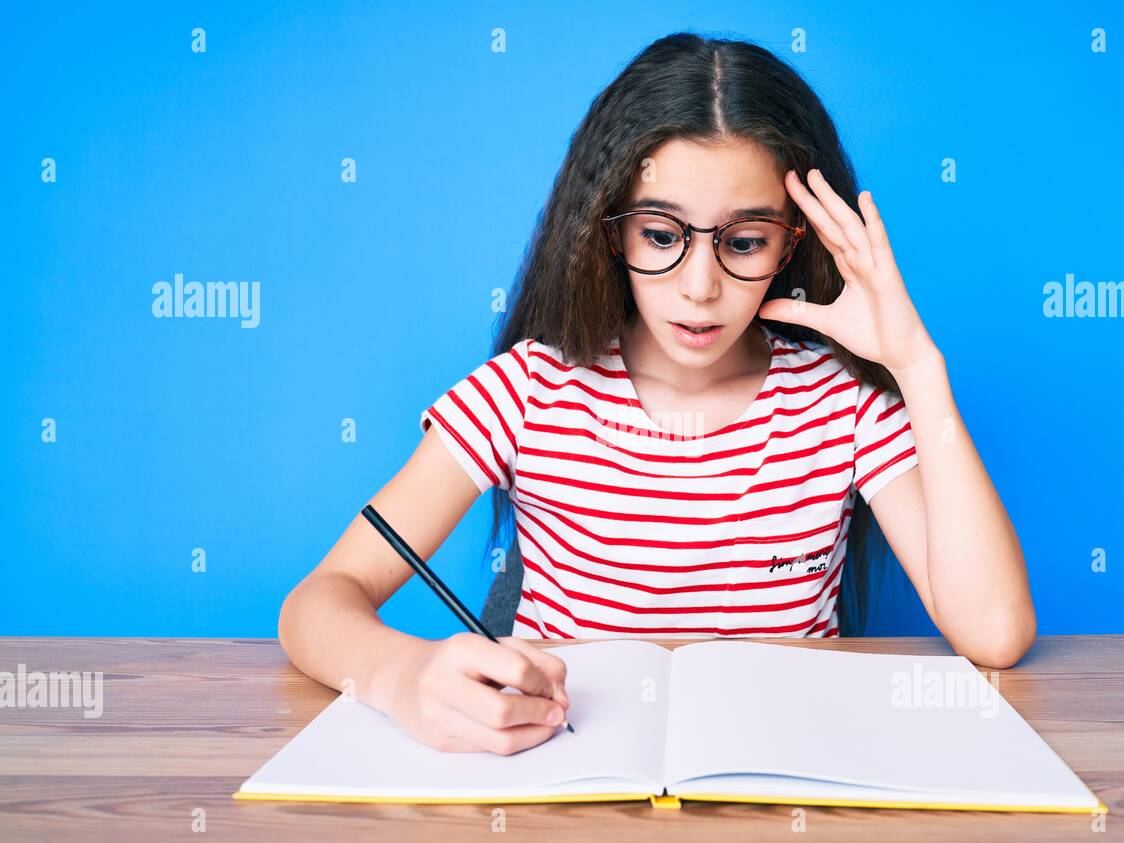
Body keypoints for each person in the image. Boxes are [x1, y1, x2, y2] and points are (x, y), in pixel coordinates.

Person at [278, 32, 1035, 756]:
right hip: (565, 788)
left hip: (787, 805)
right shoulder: (529, 390)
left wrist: (916, 367)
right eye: (662, 236)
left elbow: (996, 632)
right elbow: (317, 602)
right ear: (610, 232)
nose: (700, 289)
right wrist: (403, 677)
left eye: (744, 242)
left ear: (794, 241)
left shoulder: (842, 405)